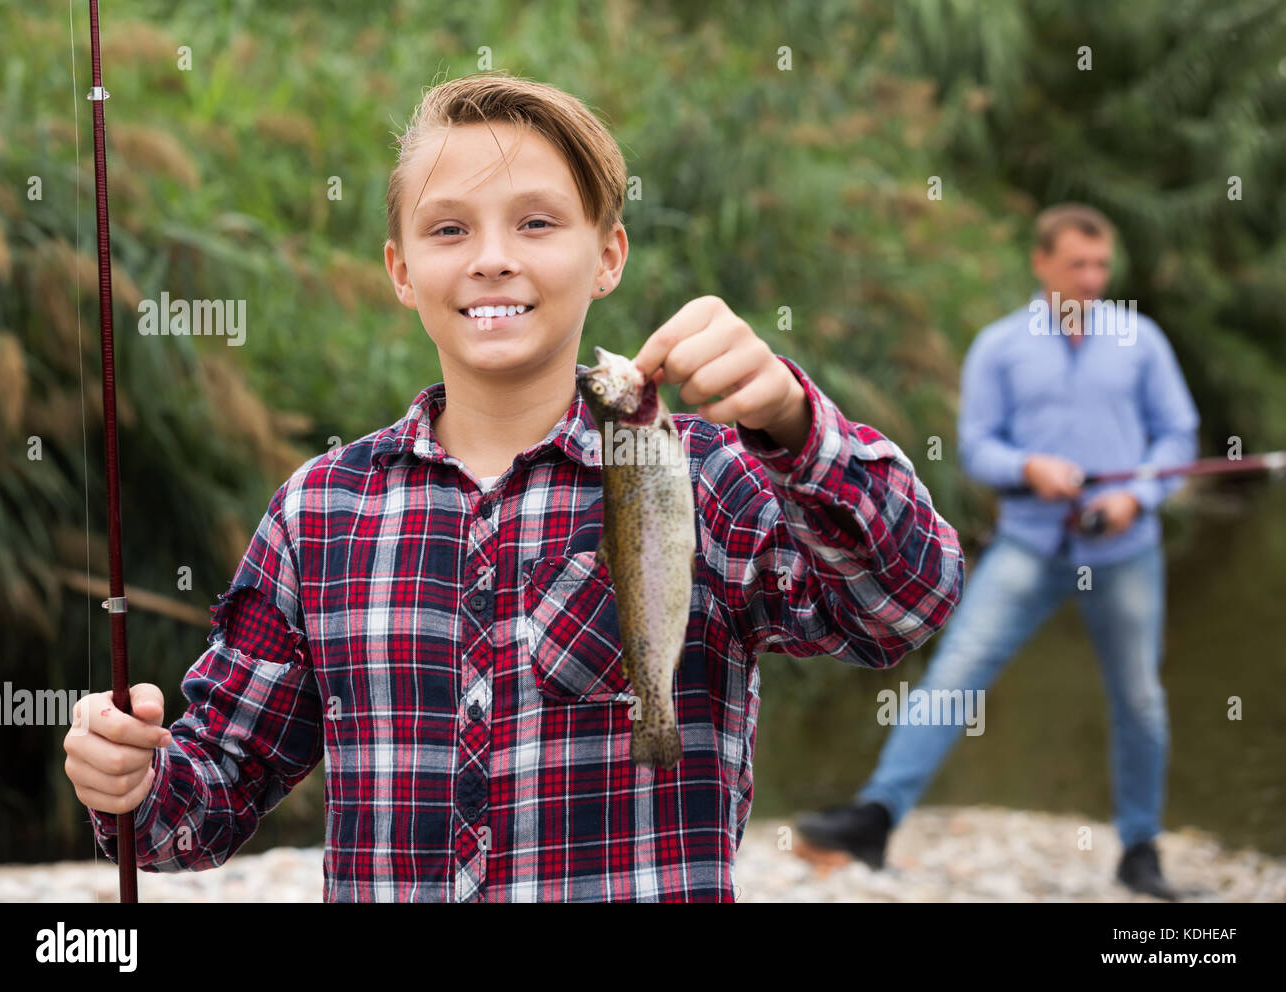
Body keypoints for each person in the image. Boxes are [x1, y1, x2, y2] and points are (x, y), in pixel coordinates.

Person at [63, 72, 964, 902]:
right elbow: (209, 799)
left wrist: (795, 426)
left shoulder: (706, 472)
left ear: (607, 256)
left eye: (536, 223)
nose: (492, 258)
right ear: (401, 271)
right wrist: (132, 784)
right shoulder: (319, 511)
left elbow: (905, 607)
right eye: (449, 228)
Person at [798, 204, 1200, 901]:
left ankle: (1140, 849)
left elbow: (1179, 437)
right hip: (1029, 542)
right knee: (955, 673)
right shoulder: (999, 347)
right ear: (1042, 263)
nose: (1093, 279)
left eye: (1102, 265)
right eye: (1079, 264)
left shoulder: (1143, 340)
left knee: (1139, 699)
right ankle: (877, 815)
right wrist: (1029, 469)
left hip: (1125, 547)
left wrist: (1136, 496)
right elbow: (980, 446)